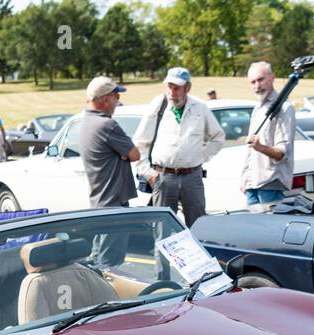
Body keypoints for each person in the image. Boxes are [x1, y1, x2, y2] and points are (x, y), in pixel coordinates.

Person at [132, 67, 225, 225]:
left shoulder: (200, 107)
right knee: (163, 229)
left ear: (187, 88)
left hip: (192, 176)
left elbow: (218, 137)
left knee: (198, 226)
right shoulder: (158, 104)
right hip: (163, 176)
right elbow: (140, 142)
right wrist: (149, 174)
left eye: (177, 88)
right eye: (169, 87)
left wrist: (200, 156)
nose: (172, 92)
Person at [79, 76, 141, 267]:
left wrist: (121, 153)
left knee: (98, 260)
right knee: (110, 265)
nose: (117, 102)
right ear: (105, 99)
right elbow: (134, 154)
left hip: (101, 201)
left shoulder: (86, 121)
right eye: (115, 97)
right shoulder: (107, 124)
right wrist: (122, 154)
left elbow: (127, 154)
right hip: (113, 204)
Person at [241, 61, 295, 207]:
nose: (257, 85)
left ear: (272, 77)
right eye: (253, 82)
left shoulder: (284, 108)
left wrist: (261, 147)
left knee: (272, 229)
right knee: (253, 230)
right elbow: (250, 149)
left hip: (271, 183)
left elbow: (282, 153)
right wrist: (245, 178)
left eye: (260, 79)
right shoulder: (257, 108)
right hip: (252, 184)